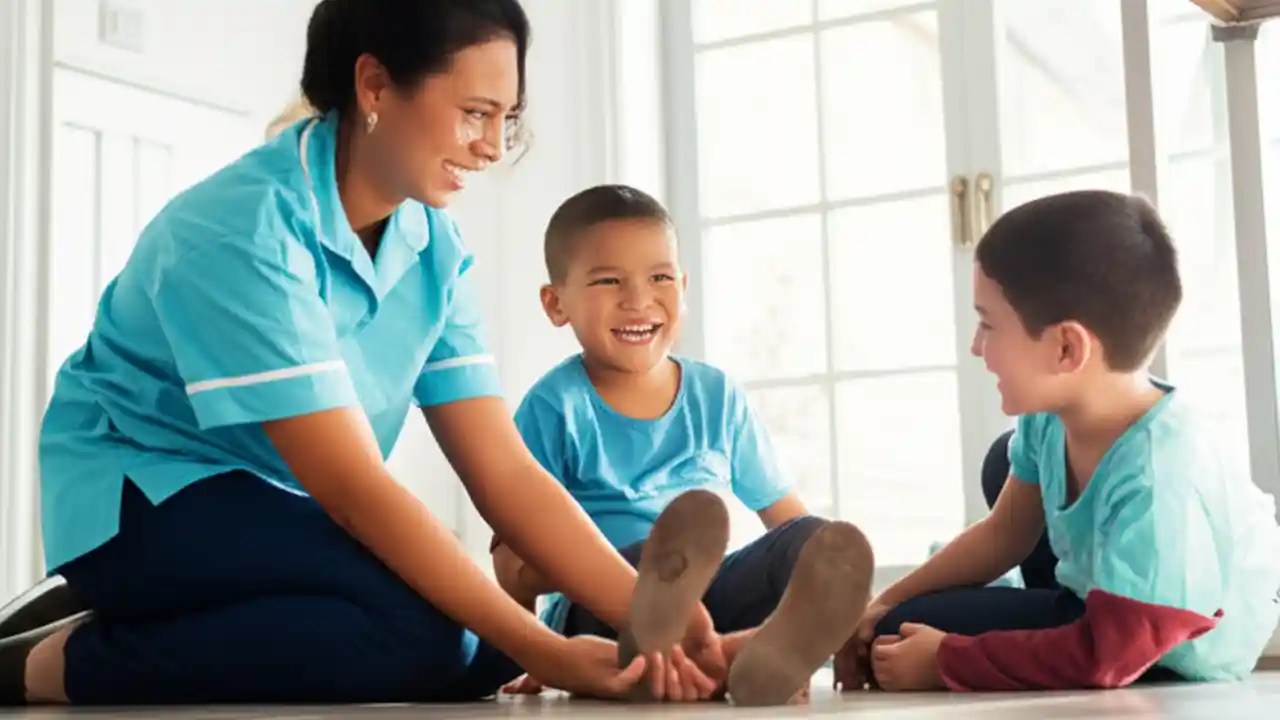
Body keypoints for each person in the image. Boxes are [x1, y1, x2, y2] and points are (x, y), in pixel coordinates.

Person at [0, 0, 725, 707]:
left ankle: (137, 626)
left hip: (281, 507)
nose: (494, 147)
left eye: (509, 120)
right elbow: (354, 490)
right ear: (375, 85)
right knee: (437, 636)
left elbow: (503, 469)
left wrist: (637, 607)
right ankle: (44, 665)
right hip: (141, 504)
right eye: (476, 112)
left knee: (490, 644)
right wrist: (551, 654)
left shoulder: (434, 248)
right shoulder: (244, 227)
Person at [833, 190, 1280, 692]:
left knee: (899, 639)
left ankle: (1045, 620)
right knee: (1002, 463)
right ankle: (1043, 611)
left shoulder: (1160, 483)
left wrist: (947, 660)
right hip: (1109, 601)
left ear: (1066, 348)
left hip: (1161, 643)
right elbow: (1005, 532)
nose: (975, 346)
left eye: (987, 323)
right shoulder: (1051, 415)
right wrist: (883, 600)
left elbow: (1106, 657)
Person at [491, 184, 874, 706]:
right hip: (604, 607)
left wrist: (828, 583)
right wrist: (532, 654)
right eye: (608, 280)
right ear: (556, 303)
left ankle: (729, 654)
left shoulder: (716, 396)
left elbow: (784, 518)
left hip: (710, 597)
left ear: (684, 287)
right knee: (653, 557)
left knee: (812, 537)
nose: (638, 299)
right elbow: (512, 565)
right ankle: (716, 657)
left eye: (660, 277)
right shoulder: (555, 406)